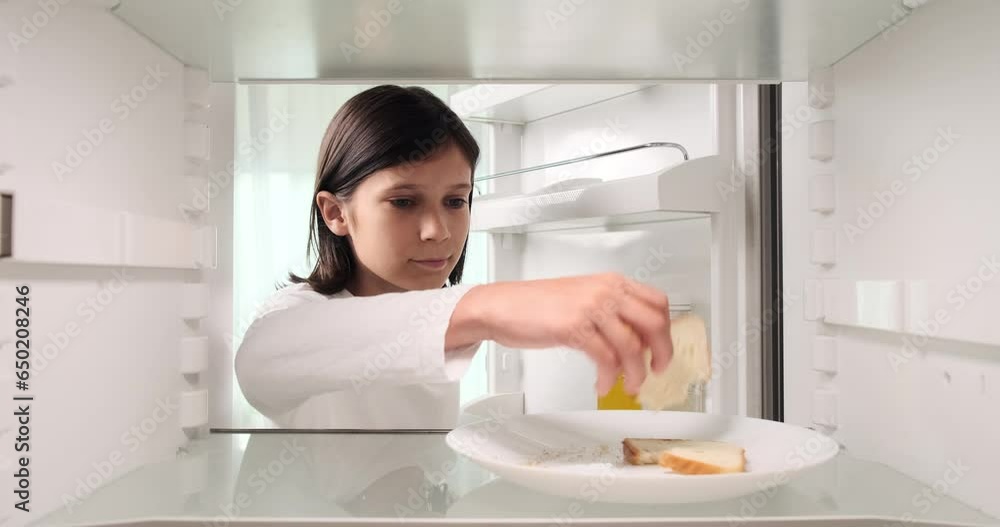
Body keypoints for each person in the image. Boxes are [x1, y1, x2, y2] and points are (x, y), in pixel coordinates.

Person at [234, 85, 674, 429]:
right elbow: (260, 356)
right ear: (336, 213)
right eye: (404, 202)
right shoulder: (296, 316)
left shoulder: (440, 320)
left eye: (455, 201)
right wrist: (490, 305)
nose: (439, 232)